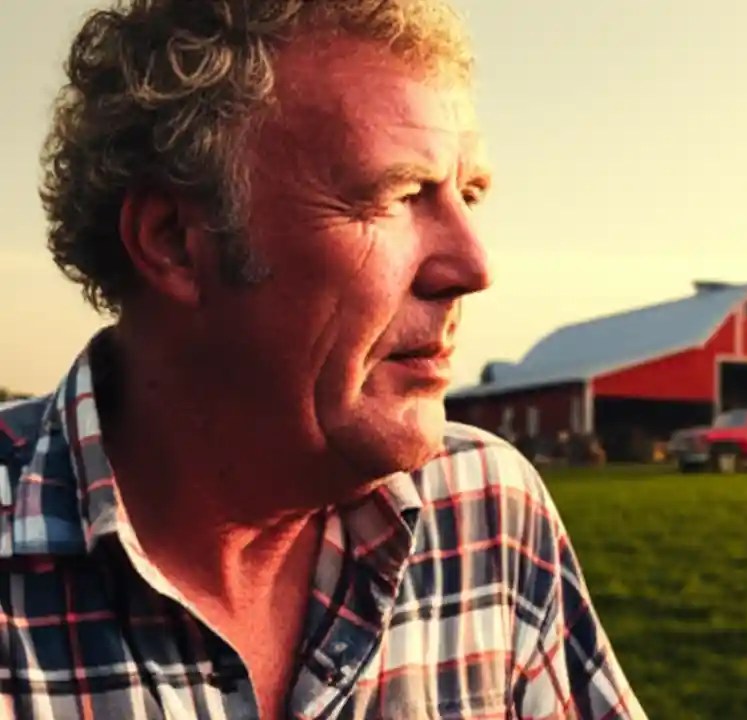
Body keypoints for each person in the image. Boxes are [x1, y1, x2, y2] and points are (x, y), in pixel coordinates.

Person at [0, 1, 646, 718]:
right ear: (176, 240)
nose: (471, 264)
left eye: (468, 194)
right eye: (396, 195)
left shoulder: (487, 514)